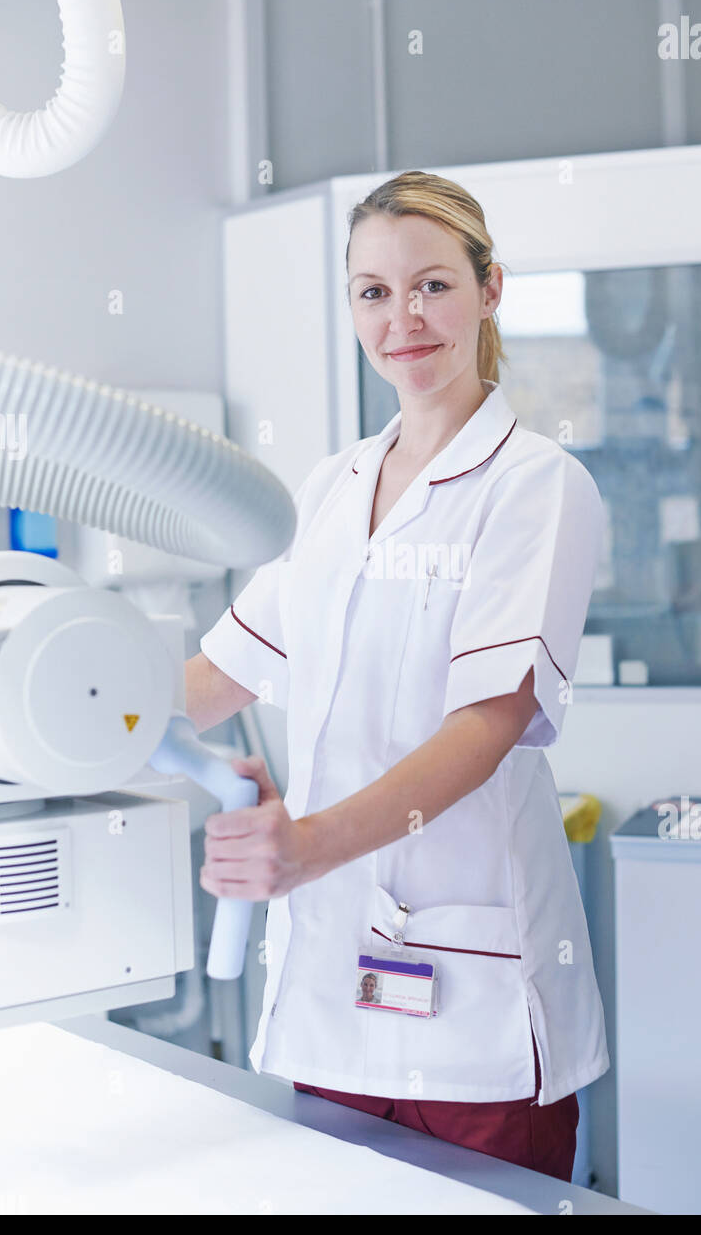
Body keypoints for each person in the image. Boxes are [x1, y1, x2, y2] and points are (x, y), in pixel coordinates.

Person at [185, 170, 609, 1183]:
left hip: (473, 1011)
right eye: (373, 292)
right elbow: (214, 678)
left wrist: (308, 846)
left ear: (489, 289)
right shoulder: (331, 488)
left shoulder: (537, 485)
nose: (402, 317)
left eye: (431, 285)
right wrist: (50, 704)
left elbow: (488, 723)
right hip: (328, 996)